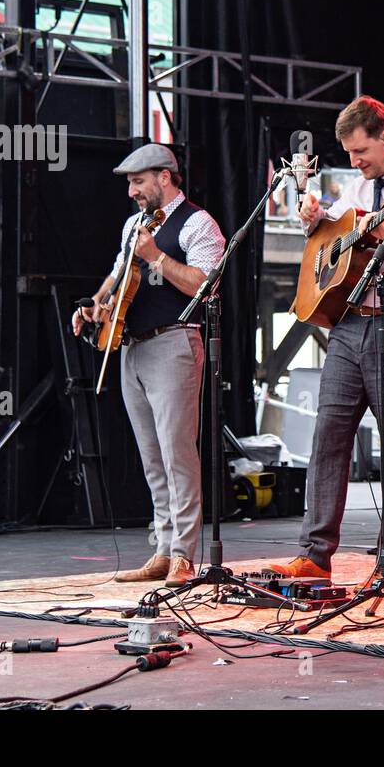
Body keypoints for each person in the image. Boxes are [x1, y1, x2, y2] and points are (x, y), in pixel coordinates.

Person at [267, 96, 384, 587]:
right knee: (328, 436)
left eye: (360, 151)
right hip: (351, 325)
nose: (354, 162)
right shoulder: (357, 186)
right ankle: (315, 555)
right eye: (349, 153)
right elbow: (335, 249)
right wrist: (316, 223)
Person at [70, 143, 225, 589]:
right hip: (133, 345)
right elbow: (119, 274)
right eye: (130, 184)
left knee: (178, 453)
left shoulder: (198, 223)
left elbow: (205, 285)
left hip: (173, 341)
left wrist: (156, 255)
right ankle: (162, 548)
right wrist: (95, 307)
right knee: (152, 456)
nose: (133, 192)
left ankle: (184, 555)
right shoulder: (134, 225)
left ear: (164, 176)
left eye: (139, 181)